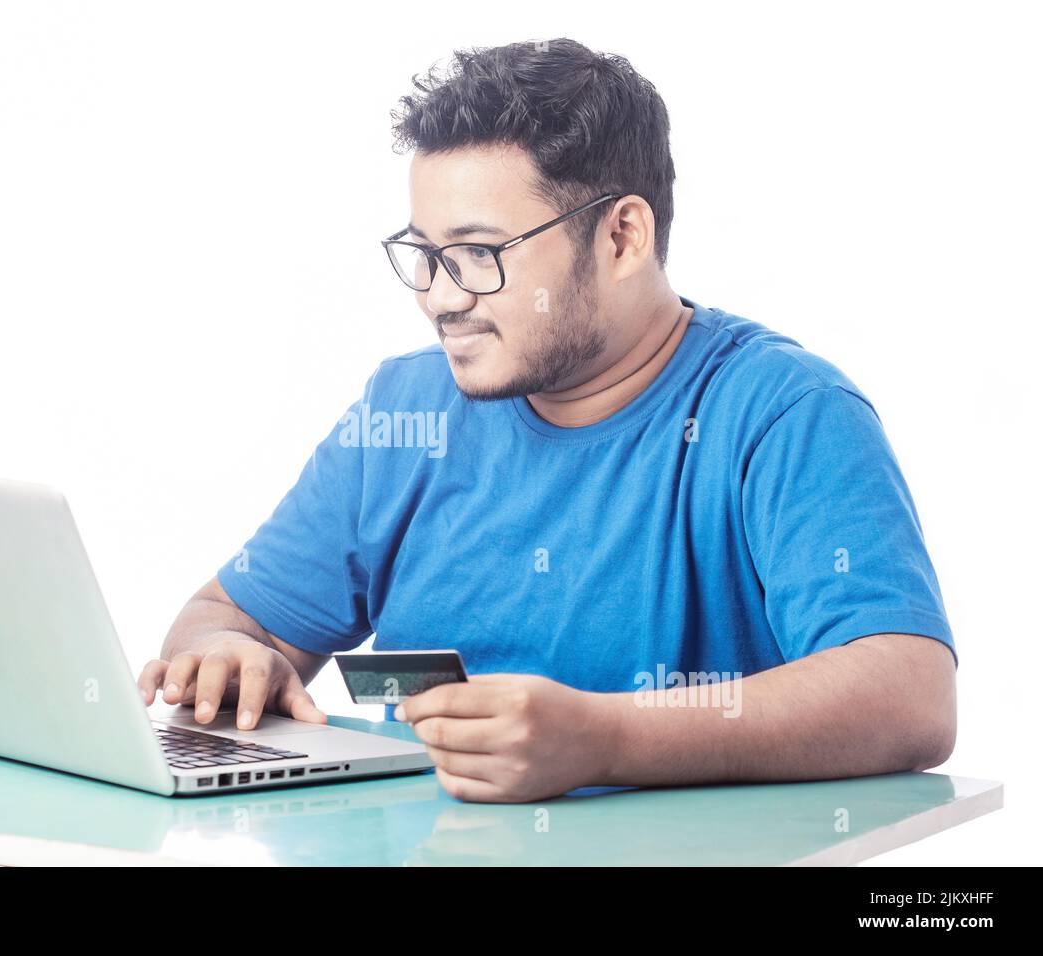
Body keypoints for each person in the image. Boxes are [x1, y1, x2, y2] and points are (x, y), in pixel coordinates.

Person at [137, 38, 956, 803]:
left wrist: (605, 741)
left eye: (478, 255)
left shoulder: (782, 414)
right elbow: (225, 616)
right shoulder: (404, 413)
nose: (440, 296)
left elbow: (907, 694)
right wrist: (225, 656)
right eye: (423, 254)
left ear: (623, 236)